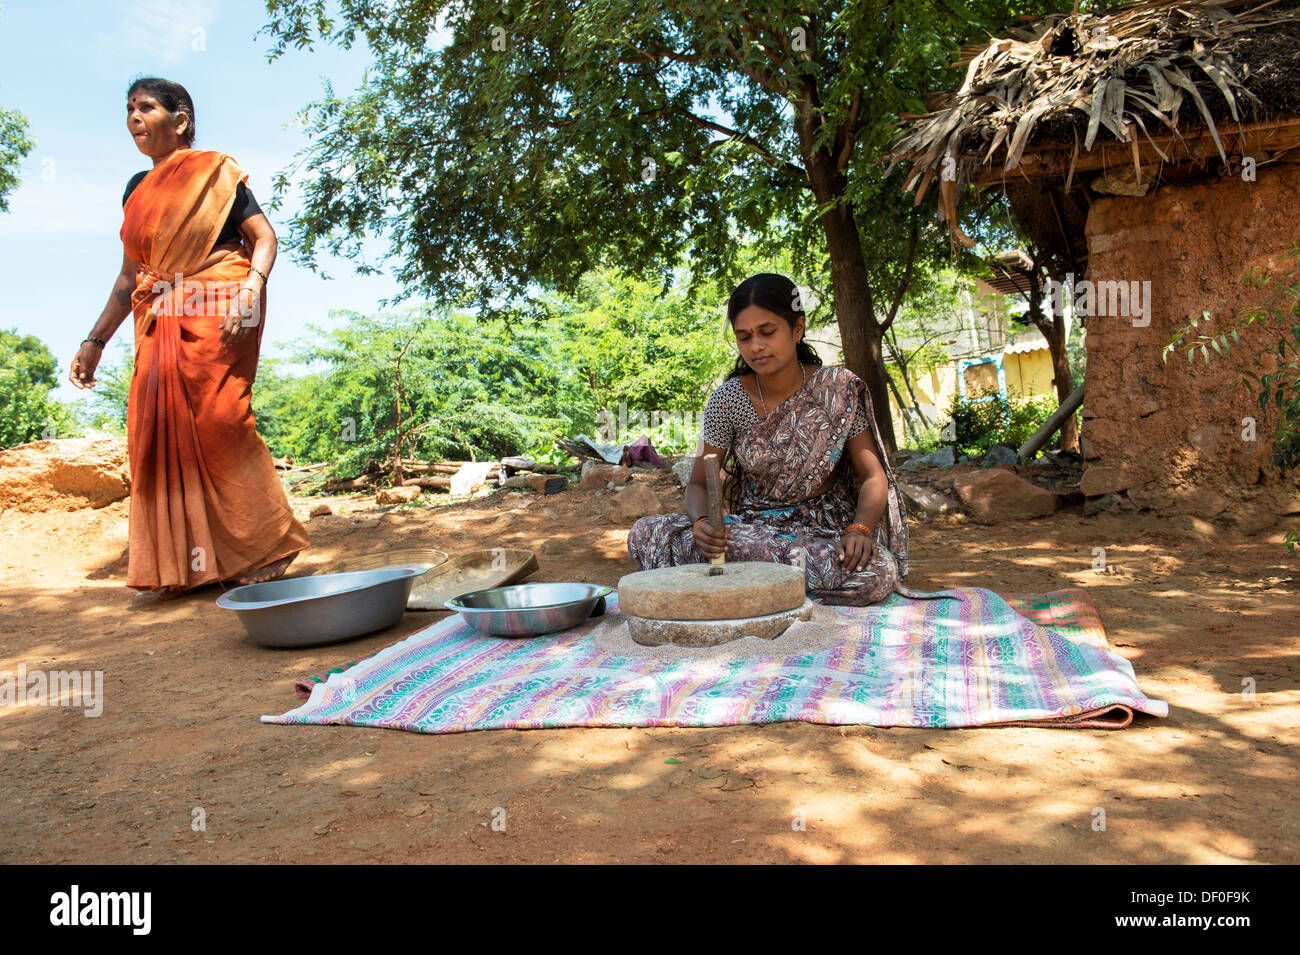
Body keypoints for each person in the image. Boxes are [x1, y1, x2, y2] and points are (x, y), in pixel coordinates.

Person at [69, 77, 309, 597]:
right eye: (129, 108)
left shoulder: (215, 172)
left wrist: (252, 289)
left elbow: (264, 238)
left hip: (219, 304)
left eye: (147, 107)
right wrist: (94, 341)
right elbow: (130, 276)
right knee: (157, 432)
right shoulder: (136, 188)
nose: (134, 116)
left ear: (180, 121)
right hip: (158, 315)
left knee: (223, 420)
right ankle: (200, 562)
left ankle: (269, 545)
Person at [627, 272, 920, 606]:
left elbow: (872, 476)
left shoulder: (836, 389)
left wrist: (861, 529)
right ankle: (771, 589)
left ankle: (742, 590)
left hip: (821, 536)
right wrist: (703, 525)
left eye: (767, 332)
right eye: (744, 337)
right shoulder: (729, 401)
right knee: (647, 534)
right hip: (750, 532)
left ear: (797, 328)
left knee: (878, 570)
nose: (756, 346)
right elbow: (698, 485)